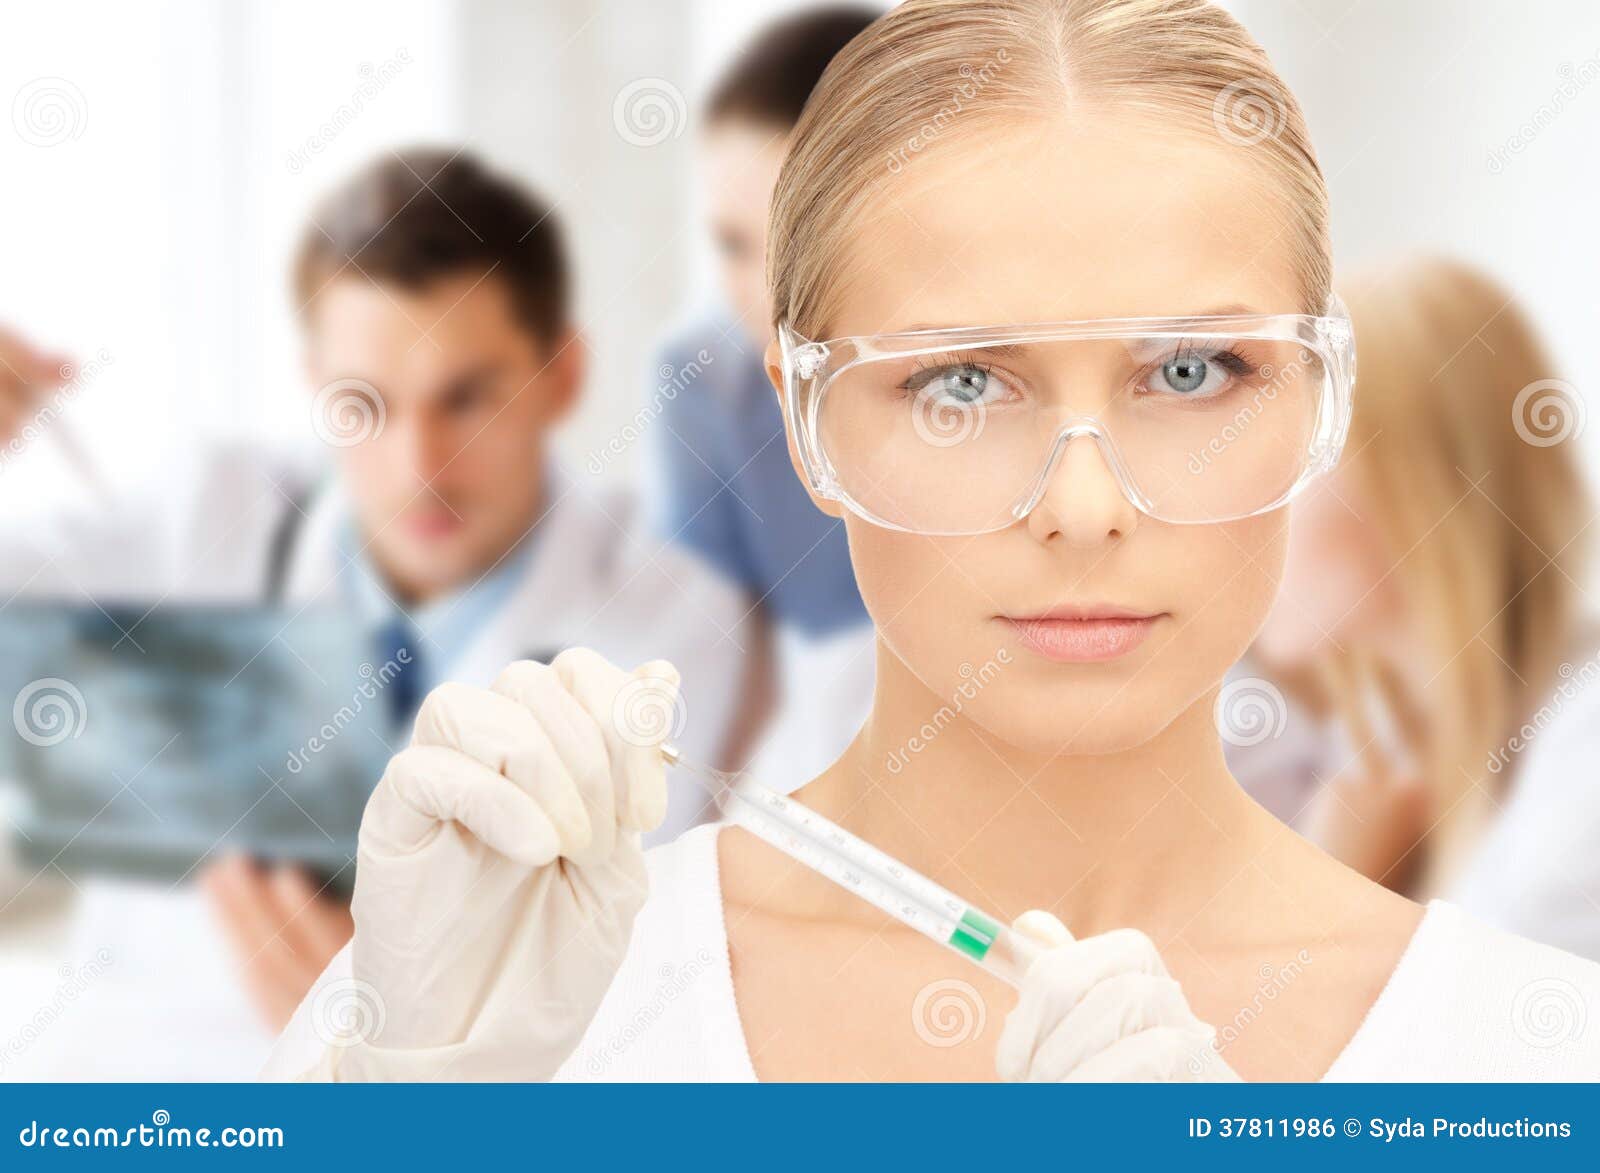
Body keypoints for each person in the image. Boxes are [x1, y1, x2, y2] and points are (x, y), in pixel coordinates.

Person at [268, 0, 1600, 1081]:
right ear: (804, 419)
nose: (1085, 509)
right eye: (962, 383)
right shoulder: (491, 1008)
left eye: (1192, 373)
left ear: (1319, 400)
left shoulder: (1536, 1060)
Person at [0, 149, 748, 1075]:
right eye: (365, 405)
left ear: (562, 374)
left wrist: (387, 1048)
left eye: (467, 397)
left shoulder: (669, 618)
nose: (418, 465)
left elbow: (628, 997)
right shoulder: (208, 517)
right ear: (315, 384)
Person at [1234, 256, 1600, 950]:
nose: (1235, 514)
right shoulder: (1373, 754)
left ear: (1415, 488)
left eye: (1284, 460)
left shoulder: (1586, 746)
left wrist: (1332, 900)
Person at [645, 7, 881, 784]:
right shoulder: (703, 384)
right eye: (732, 245)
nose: (761, 293)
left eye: (792, 242)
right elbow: (703, 663)